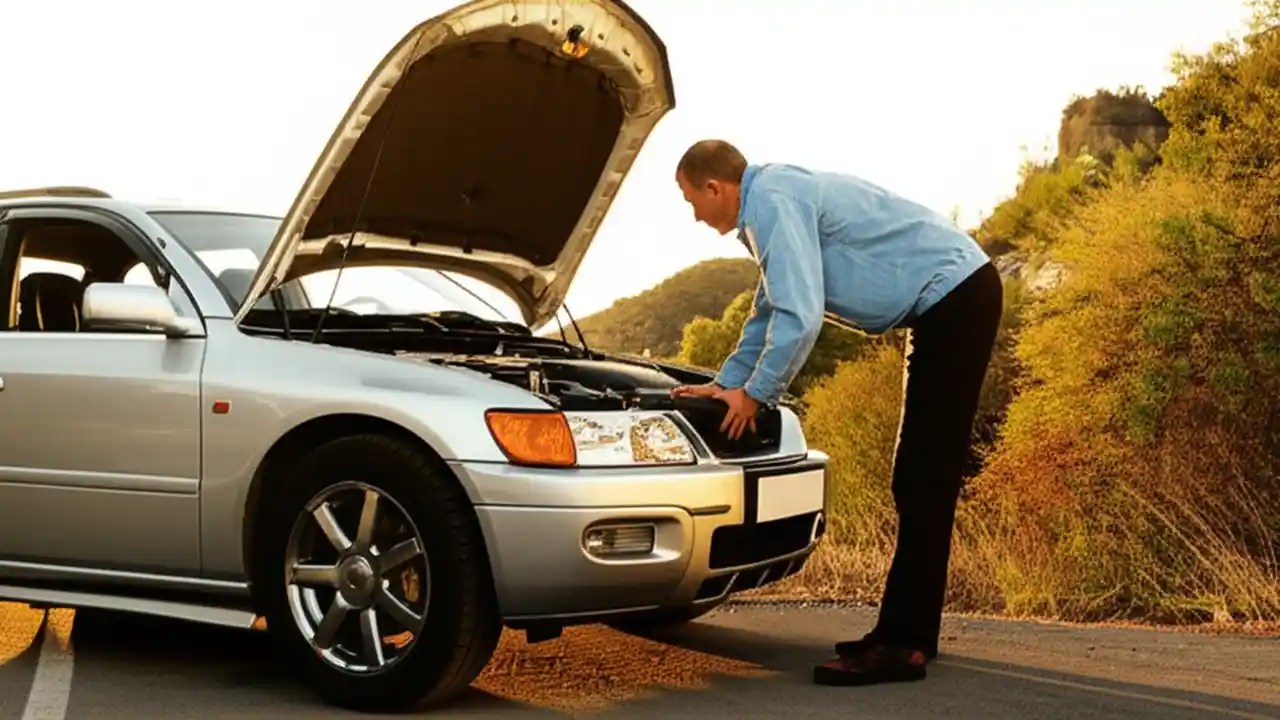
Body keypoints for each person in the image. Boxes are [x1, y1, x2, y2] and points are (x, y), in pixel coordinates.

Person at [670, 139, 1003, 686]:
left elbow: (800, 317)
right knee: (920, 477)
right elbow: (770, 307)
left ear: (715, 188)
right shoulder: (767, 204)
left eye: (691, 201)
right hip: (944, 305)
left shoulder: (773, 199)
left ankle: (901, 645)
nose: (694, 215)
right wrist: (727, 383)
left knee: (923, 477)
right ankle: (912, 634)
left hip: (956, 299)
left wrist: (757, 395)